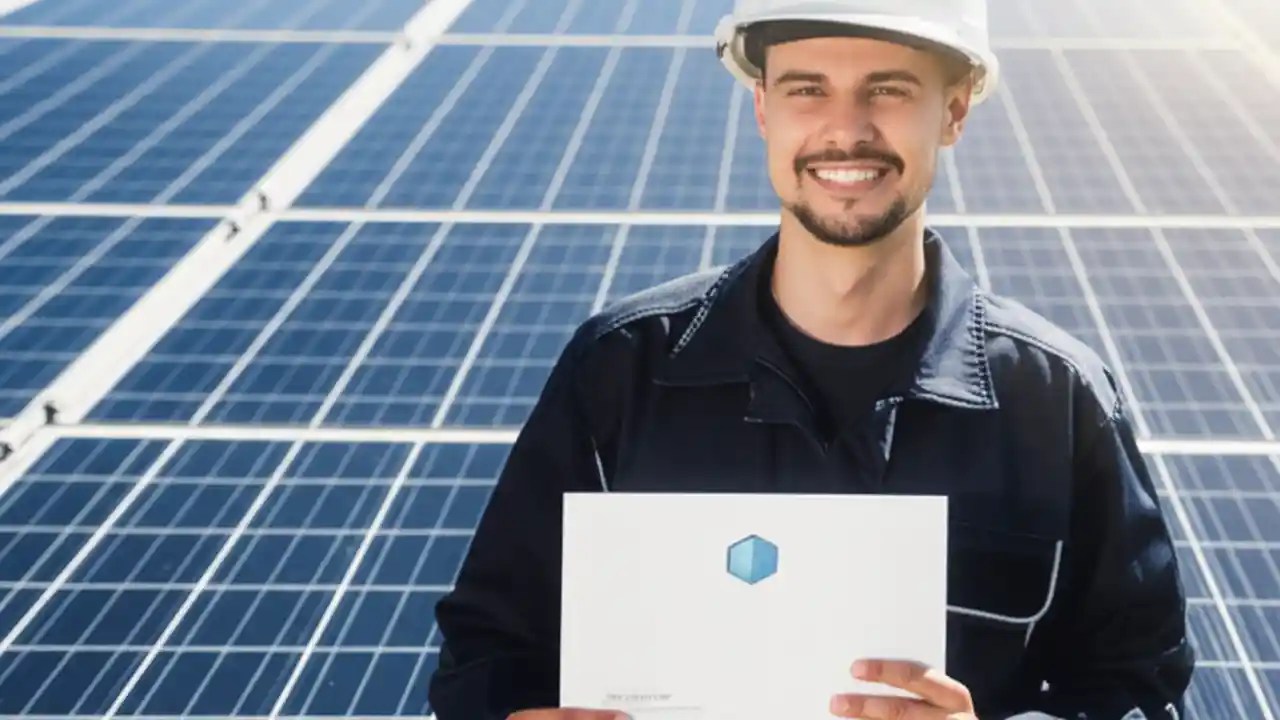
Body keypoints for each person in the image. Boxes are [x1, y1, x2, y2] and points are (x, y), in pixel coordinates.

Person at [427, 1, 1194, 718]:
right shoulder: (620, 371)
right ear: (763, 106)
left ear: (954, 109)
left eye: (888, 90)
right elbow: (488, 655)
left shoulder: (1058, 400)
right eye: (807, 89)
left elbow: (1143, 688)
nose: (846, 129)